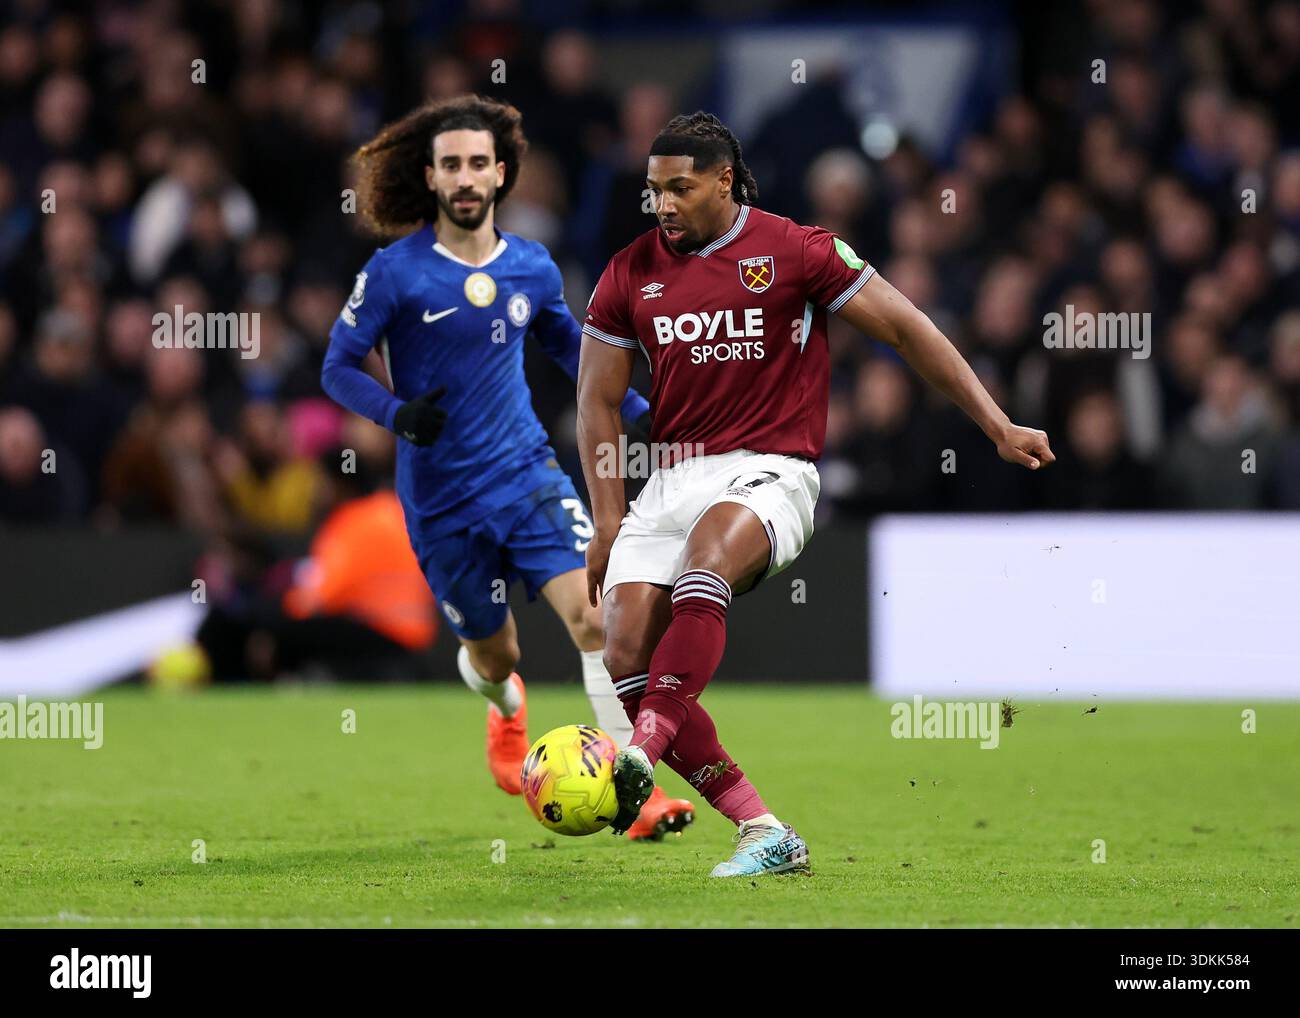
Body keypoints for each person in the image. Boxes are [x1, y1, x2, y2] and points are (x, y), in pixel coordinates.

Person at [577, 111, 1054, 876]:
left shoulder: (797, 250)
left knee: (706, 567)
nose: (661, 205)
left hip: (768, 470)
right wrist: (607, 521)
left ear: (724, 181)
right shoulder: (629, 271)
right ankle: (764, 831)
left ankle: (639, 755)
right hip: (668, 480)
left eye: (679, 189)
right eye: (652, 191)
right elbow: (596, 403)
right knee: (626, 657)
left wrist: (995, 424)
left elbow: (906, 328)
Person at [321, 95, 693, 840]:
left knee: (598, 615)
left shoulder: (531, 267)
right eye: (451, 164)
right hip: (441, 503)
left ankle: (633, 789)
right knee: (495, 654)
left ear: (501, 174)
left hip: (527, 477)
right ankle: (506, 706)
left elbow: (571, 350)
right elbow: (336, 367)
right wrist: (397, 415)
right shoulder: (395, 273)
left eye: (478, 163)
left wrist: (640, 409)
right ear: (430, 177)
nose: (465, 177)